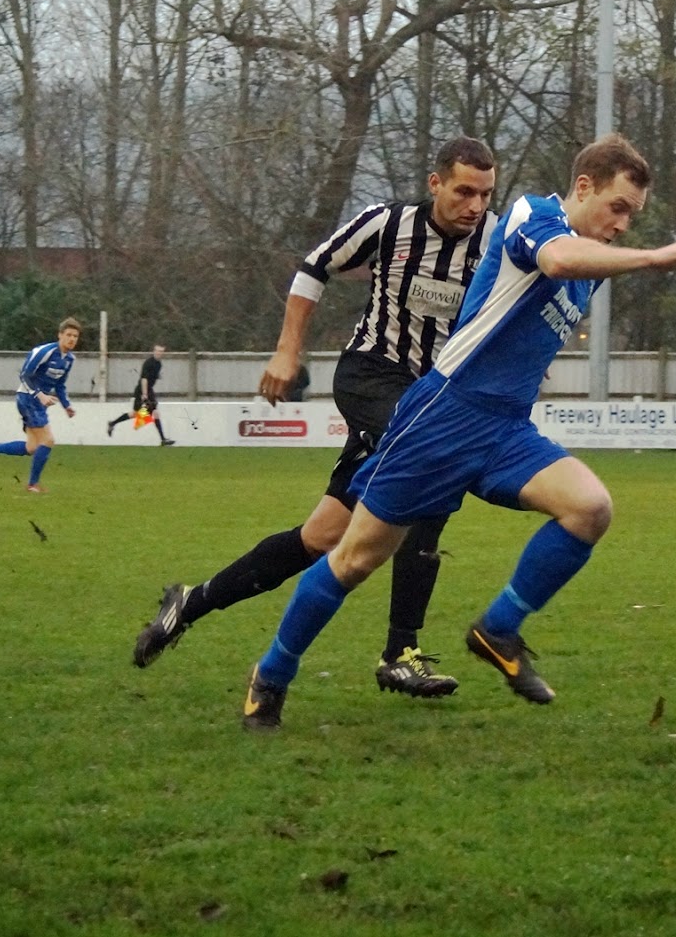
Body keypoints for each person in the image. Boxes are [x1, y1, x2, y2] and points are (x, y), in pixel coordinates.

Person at [236, 133, 676, 730]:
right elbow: (558, 260)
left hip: (504, 430)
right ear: (584, 187)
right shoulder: (529, 216)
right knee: (354, 559)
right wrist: (656, 257)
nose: (623, 225)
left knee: (590, 509)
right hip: (441, 418)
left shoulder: (591, 268)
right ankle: (272, 675)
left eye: (634, 218)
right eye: (617, 208)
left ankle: (498, 629)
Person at [134, 136, 498, 698]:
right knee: (430, 462)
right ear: (436, 183)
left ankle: (190, 603)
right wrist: (287, 350)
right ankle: (400, 653)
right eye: (464, 191)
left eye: (485, 194)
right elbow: (314, 268)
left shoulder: (494, 240)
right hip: (372, 374)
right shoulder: (388, 225)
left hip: (431, 394)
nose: (474, 206)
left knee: (320, 536)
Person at [0, 317, 80, 491]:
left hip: (39, 403)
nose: (72, 339)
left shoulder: (69, 359)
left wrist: (66, 405)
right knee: (48, 440)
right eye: (69, 335)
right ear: (60, 335)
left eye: (75, 336)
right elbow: (24, 375)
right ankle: (33, 484)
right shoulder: (45, 352)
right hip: (27, 398)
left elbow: (59, 384)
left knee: (32, 447)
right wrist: (40, 395)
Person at [106, 344, 174, 445]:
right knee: (135, 414)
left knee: (152, 413)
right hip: (142, 391)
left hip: (149, 390)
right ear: (154, 351)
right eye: (158, 351)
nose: (159, 353)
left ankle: (163, 439)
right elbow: (144, 379)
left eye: (161, 351)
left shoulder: (159, 364)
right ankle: (112, 423)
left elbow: (152, 377)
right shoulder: (148, 363)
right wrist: (145, 394)